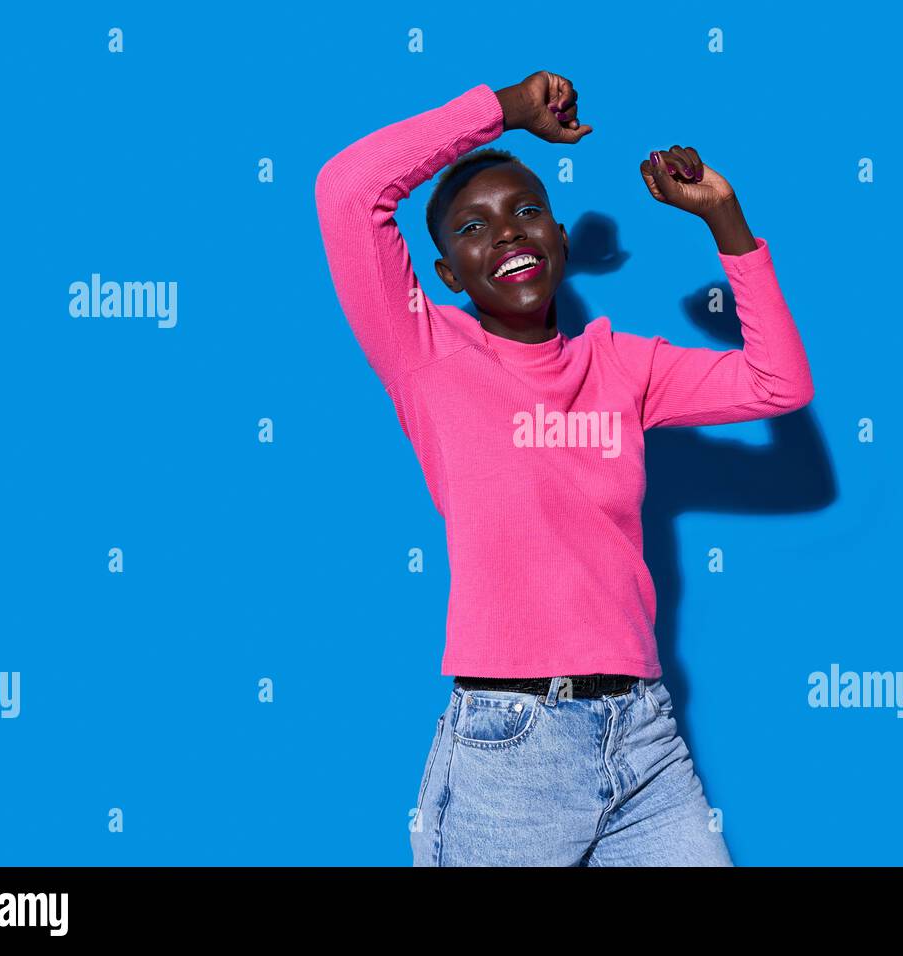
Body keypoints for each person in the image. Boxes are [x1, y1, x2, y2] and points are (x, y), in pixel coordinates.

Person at [314, 70, 815, 866]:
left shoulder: (622, 365)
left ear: (560, 240)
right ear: (447, 275)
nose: (507, 233)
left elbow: (778, 384)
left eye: (525, 212)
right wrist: (506, 113)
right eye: (473, 228)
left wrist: (724, 220)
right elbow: (347, 191)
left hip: (643, 739)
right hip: (510, 751)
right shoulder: (427, 353)